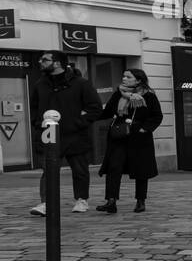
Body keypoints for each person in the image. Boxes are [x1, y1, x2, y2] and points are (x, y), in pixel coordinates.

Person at [28, 51, 103, 216]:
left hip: (75, 135)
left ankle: (82, 200)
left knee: (80, 169)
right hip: (49, 134)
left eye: (45, 60)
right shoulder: (40, 84)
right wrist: (37, 122)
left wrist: (77, 123)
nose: (41, 62)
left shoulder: (81, 83)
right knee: (48, 170)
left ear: (57, 63)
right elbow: (33, 107)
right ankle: (46, 203)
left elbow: (95, 108)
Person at [96, 68, 164, 214]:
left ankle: (140, 201)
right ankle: (111, 201)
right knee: (114, 167)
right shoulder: (118, 94)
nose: (124, 79)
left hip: (139, 138)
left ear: (138, 80)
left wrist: (144, 129)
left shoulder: (149, 96)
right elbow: (107, 111)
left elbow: (157, 116)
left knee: (141, 170)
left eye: (128, 77)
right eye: (123, 76)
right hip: (119, 136)